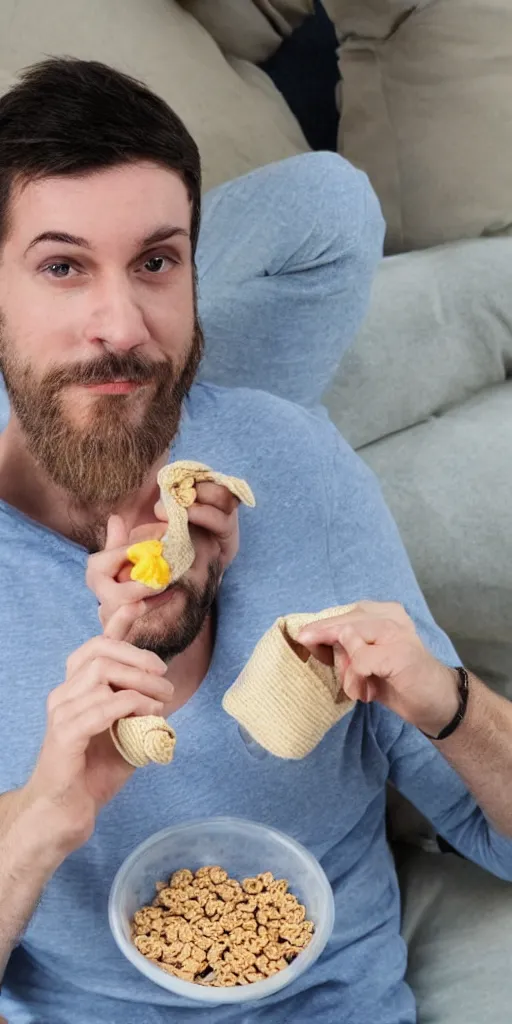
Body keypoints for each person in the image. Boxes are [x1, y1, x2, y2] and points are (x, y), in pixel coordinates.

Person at [0, 57, 511, 1024]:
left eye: (158, 261)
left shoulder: (288, 457)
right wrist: (46, 813)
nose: (121, 325)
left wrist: (447, 702)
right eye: (62, 266)